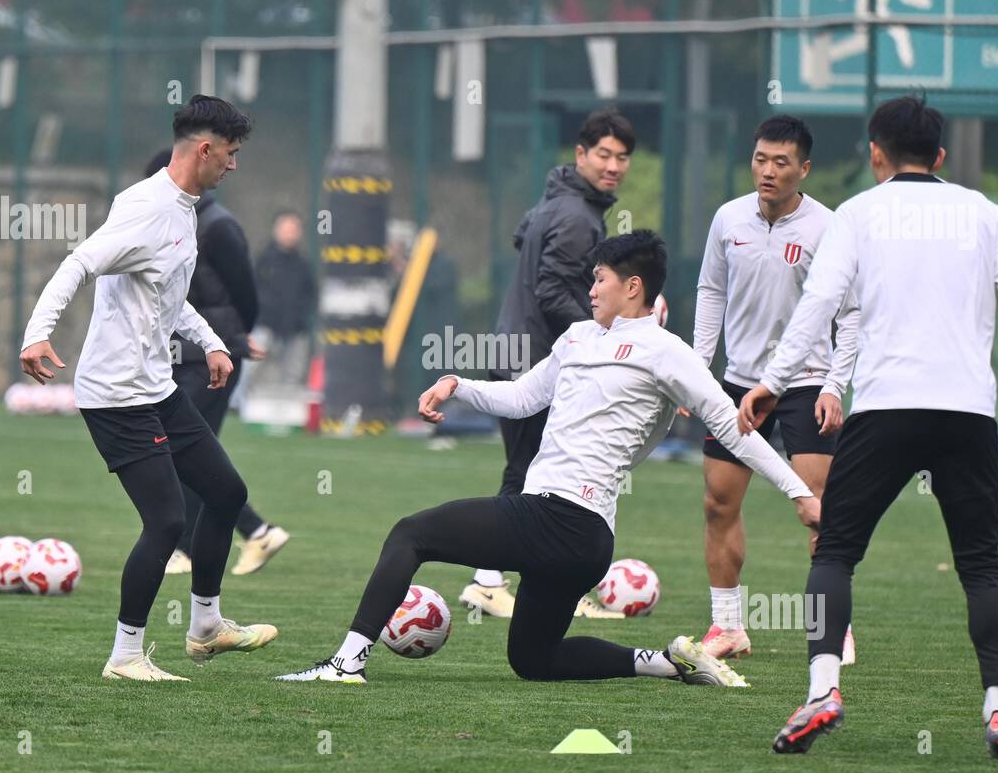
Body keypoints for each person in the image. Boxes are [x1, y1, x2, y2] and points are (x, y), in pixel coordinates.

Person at [276, 230, 820, 686]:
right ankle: (668, 663)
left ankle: (346, 663)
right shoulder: (579, 337)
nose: (590, 289)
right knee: (532, 660)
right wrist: (455, 384)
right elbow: (521, 397)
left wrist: (800, 491)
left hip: (561, 519)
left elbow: (734, 428)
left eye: (600, 279)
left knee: (409, 534)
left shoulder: (667, 350)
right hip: (581, 541)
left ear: (633, 287)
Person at [737, 95, 998, 757]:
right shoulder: (983, 212)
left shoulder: (857, 213)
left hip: (885, 409)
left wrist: (771, 380)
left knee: (834, 553)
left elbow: (820, 302)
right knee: (982, 567)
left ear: (876, 154)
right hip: (965, 412)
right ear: (939, 156)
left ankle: (825, 689)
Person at [19, 94, 277, 682]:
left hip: (156, 387)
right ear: (205, 149)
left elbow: (167, 293)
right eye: (231, 155)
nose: (234, 166)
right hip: (115, 396)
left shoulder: (185, 206)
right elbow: (77, 263)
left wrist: (212, 341)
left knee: (226, 492)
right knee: (164, 521)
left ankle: (207, 626)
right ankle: (125, 656)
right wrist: (37, 335)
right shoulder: (146, 209)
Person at [693, 114, 859, 663]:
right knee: (719, 503)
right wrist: (698, 372)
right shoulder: (727, 219)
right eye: (760, 159)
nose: (767, 170)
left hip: (806, 385)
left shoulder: (829, 227)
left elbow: (851, 315)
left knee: (817, 508)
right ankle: (728, 627)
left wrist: (836, 384)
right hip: (737, 383)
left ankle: (833, 627)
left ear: (804, 169)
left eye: (781, 162)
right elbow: (711, 291)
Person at [463, 108, 636, 621]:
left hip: (512, 348)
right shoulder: (578, 215)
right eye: (603, 154)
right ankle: (493, 581)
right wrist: (606, 329)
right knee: (534, 475)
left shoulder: (556, 200)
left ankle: (494, 580)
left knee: (529, 471)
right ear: (580, 155)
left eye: (622, 157)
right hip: (533, 357)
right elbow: (552, 289)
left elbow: (526, 249)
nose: (613, 165)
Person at [140, 150, 291, 578]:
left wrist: (236, 336)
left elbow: (245, 289)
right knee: (188, 449)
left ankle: (200, 545)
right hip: (188, 352)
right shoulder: (176, 222)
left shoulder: (218, 225)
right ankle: (249, 532)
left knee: (182, 447)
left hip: (210, 355)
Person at [252, 210, 317, 389]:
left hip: (296, 332)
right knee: (253, 371)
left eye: (294, 229)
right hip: (265, 327)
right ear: (276, 229)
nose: (290, 233)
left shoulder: (304, 264)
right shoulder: (262, 260)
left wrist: (301, 319)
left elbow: (310, 295)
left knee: (293, 377)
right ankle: (240, 407)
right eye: (286, 228)